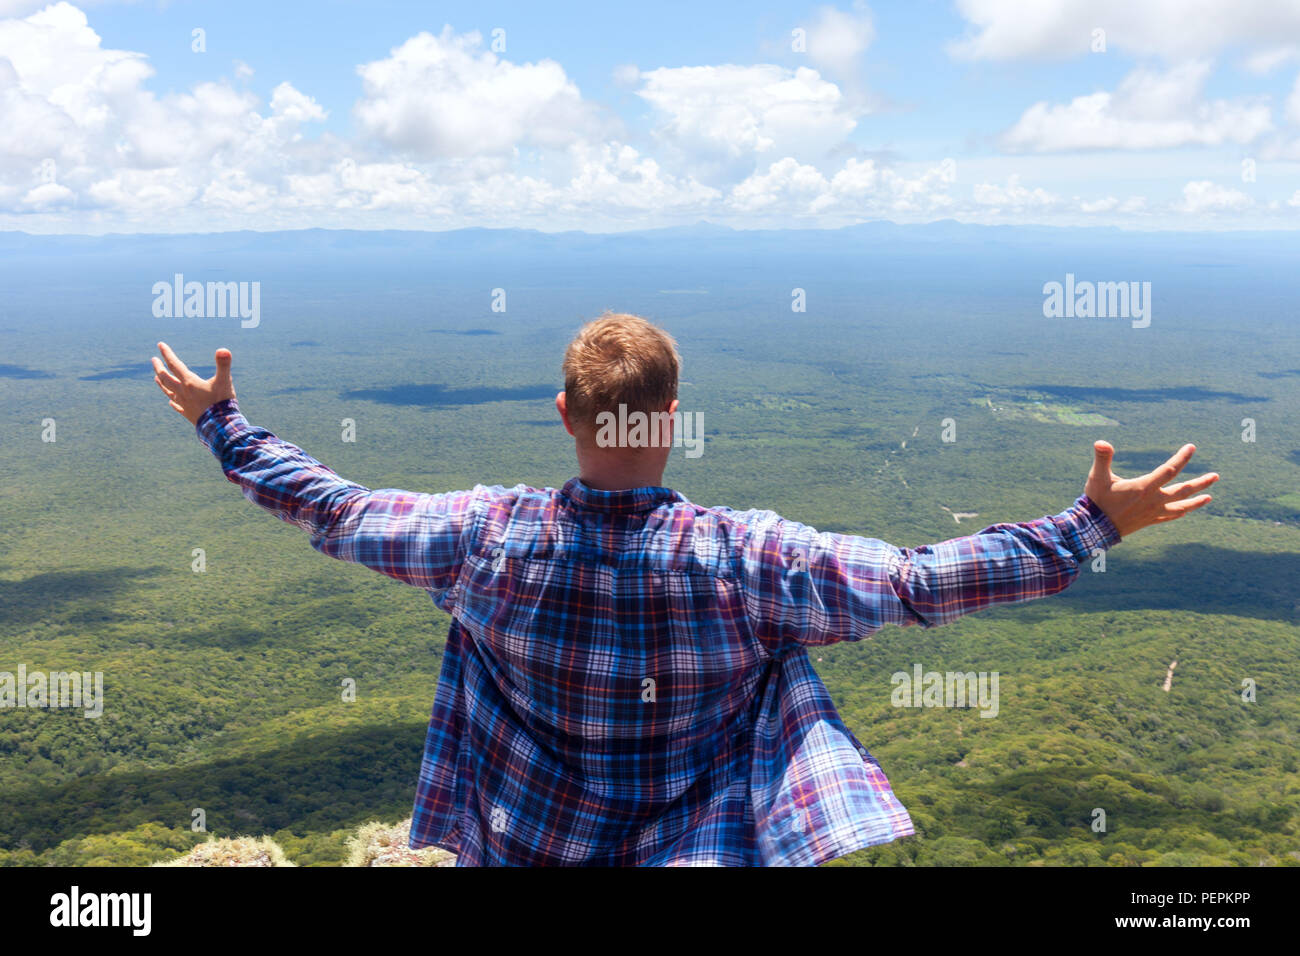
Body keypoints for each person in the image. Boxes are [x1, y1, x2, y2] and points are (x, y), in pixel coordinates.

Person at [151, 312, 1217, 866]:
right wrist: (1088, 526)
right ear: (668, 418)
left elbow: (331, 506)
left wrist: (221, 421)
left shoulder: (481, 540)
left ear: (564, 411)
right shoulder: (746, 558)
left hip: (528, 839)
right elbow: (916, 582)